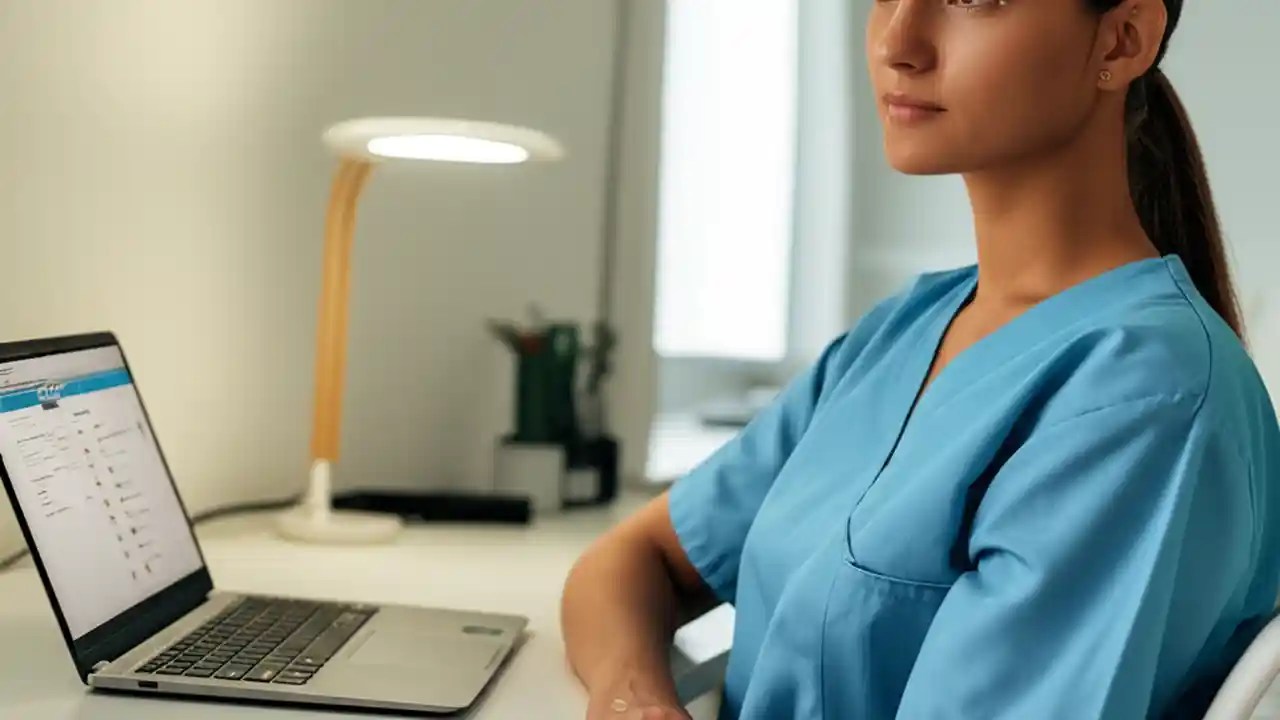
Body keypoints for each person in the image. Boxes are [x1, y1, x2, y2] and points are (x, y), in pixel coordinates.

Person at [561, 0, 1280, 717]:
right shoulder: (903, 331)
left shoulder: (1148, 394)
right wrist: (635, 698)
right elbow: (632, 560)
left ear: (1122, 41)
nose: (897, 43)